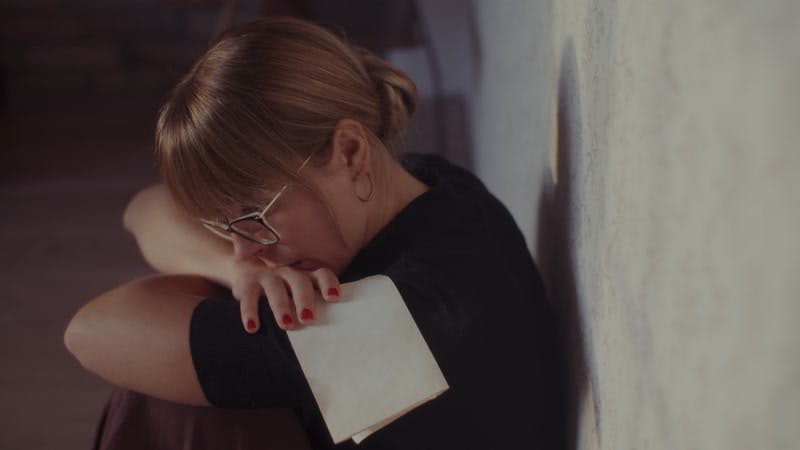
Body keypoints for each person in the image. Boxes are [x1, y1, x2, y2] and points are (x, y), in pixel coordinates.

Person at [65, 16, 566, 450]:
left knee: (169, 402)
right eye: (225, 224)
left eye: (256, 214)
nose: (245, 246)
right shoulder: (432, 185)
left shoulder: (403, 319)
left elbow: (87, 333)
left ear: (349, 151)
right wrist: (236, 271)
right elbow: (145, 209)